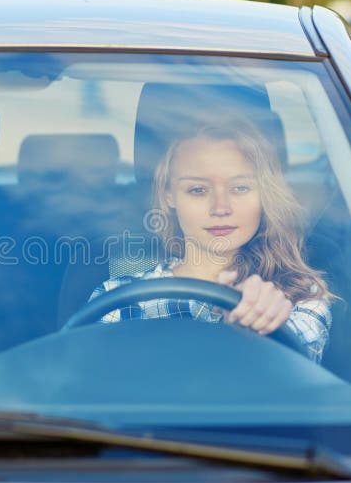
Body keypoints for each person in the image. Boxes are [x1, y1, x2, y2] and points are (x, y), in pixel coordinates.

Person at [88, 119, 333, 363]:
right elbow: (90, 385)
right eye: (198, 190)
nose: (221, 208)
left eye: (240, 188)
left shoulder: (300, 295)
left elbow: (297, 384)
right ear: (169, 196)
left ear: (264, 195)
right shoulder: (117, 298)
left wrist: (257, 331)